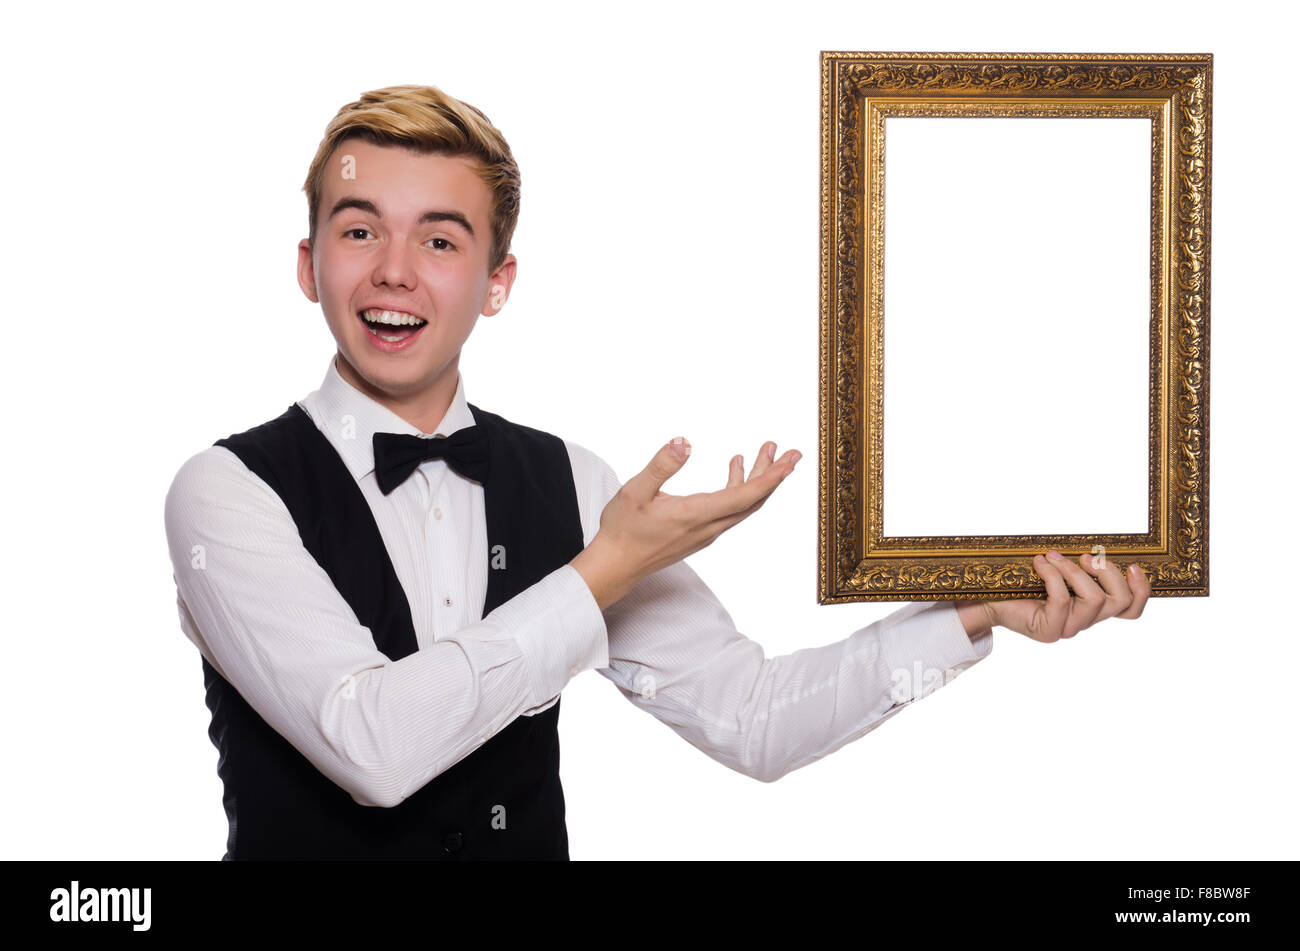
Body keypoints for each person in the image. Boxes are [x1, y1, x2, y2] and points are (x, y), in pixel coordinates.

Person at [163, 84, 1150, 860]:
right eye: (359, 229)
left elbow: (750, 716)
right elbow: (368, 748)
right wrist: (603, 572)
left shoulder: (576, 485)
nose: (394, 270)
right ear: (310, 265)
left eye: (440, 239)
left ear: (496, 282)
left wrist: (974, 608)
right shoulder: (224, 493)